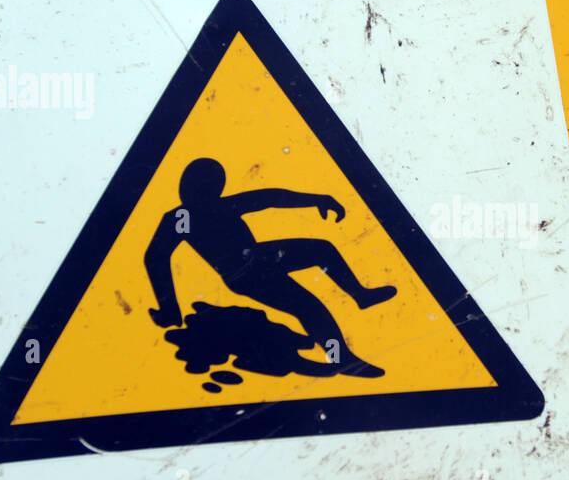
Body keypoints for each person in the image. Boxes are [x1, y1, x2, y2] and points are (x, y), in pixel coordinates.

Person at [145, 157, 395, 377]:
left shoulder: (221, 205)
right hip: (245, 275)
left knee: (321, 249)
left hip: (262, 257)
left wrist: (318, 199)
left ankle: (360, 295)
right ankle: (342, 359)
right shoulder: (183, 218)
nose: (210, 189)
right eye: (204, 183)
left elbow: (270, 197)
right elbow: (156, 257)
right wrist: (169, 306)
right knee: (309, 306)